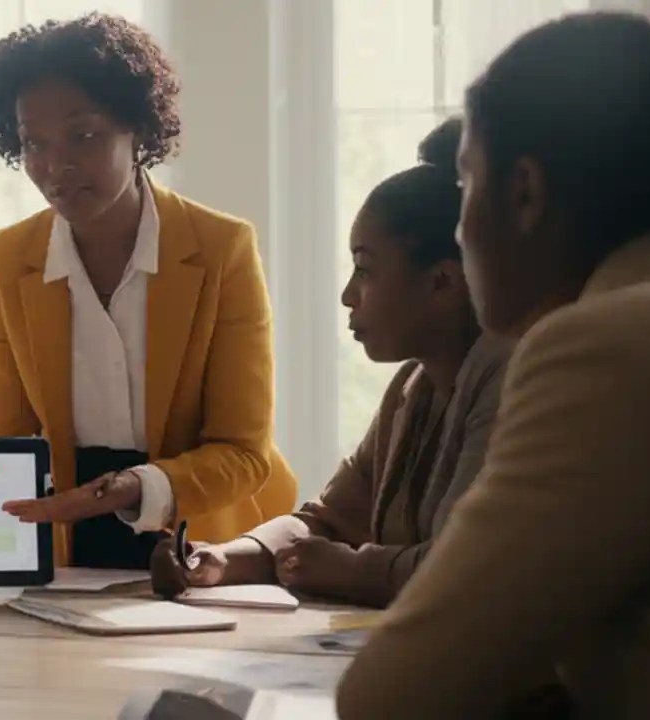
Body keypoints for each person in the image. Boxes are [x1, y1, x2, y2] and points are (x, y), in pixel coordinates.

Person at [338, 3, 650, 718]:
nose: (459, 230)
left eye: (465, 185)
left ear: (522, 194)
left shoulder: (609, 347)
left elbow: (393, 693)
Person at [0, 13, 298, 569]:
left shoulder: (222, 249)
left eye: (83, 135)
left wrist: (131, 486)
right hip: (67, 546)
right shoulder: (8, 259)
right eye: (34, 142)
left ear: (138, 128)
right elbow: (0, 447)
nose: (56, 166)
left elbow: (244, 453)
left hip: (202, 543)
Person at [152, 119, 510, 608]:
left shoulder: (510, 377)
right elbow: (323, 521)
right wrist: (222, 561)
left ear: (442, 282)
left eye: (365, 269)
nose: (347, 295)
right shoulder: (412, 387)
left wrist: (347, 568)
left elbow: (460, 569)